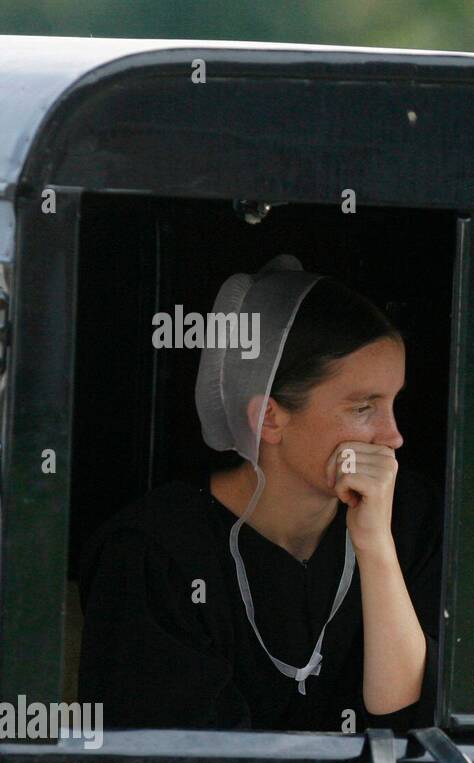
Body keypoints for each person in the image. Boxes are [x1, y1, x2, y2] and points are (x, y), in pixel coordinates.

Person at [78, 257, 439, 732]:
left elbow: (408, 723)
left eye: (393, 403)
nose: (393, 436)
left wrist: (375, 546)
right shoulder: (153, 553)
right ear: (269, 418)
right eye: (363, 407)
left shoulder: (410, 518)